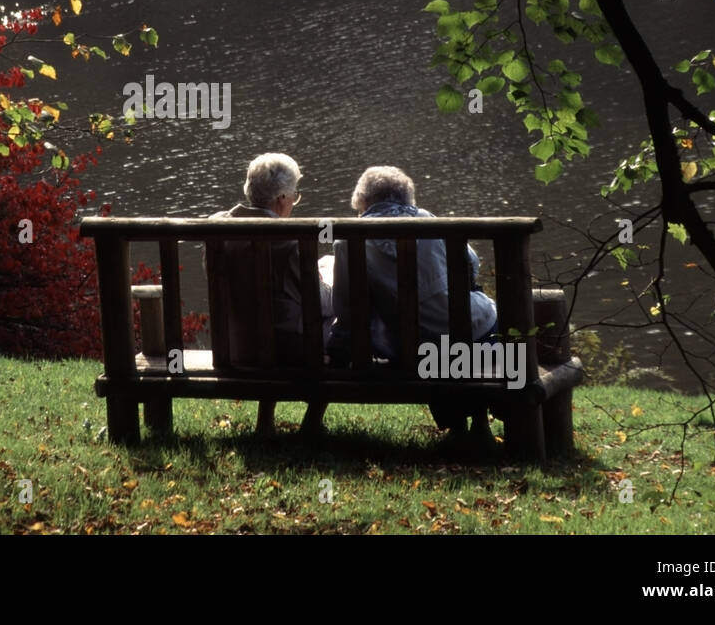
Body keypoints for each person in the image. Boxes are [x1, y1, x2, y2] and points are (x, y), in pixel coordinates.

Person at [326, 165, 497, 440]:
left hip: (413, 349)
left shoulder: (349, 240)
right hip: (472, 331)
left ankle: (457, 426)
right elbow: (471, 264)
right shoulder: (429, 220)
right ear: (406, 198)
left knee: (430, 342)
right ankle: (480, 424)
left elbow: (349, 311)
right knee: (481, 320)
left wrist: (336, 351)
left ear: (364, 201)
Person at [207, 152, 332, 431]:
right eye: (295, 196)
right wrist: (331, 284)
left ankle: (265, 421)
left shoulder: (217, 226)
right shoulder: (290, 241)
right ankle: (312, 422)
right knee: (334, 328)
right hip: (287, 355)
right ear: (282, 200)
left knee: (274, 313)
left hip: (232, 349)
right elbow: (319, 304)